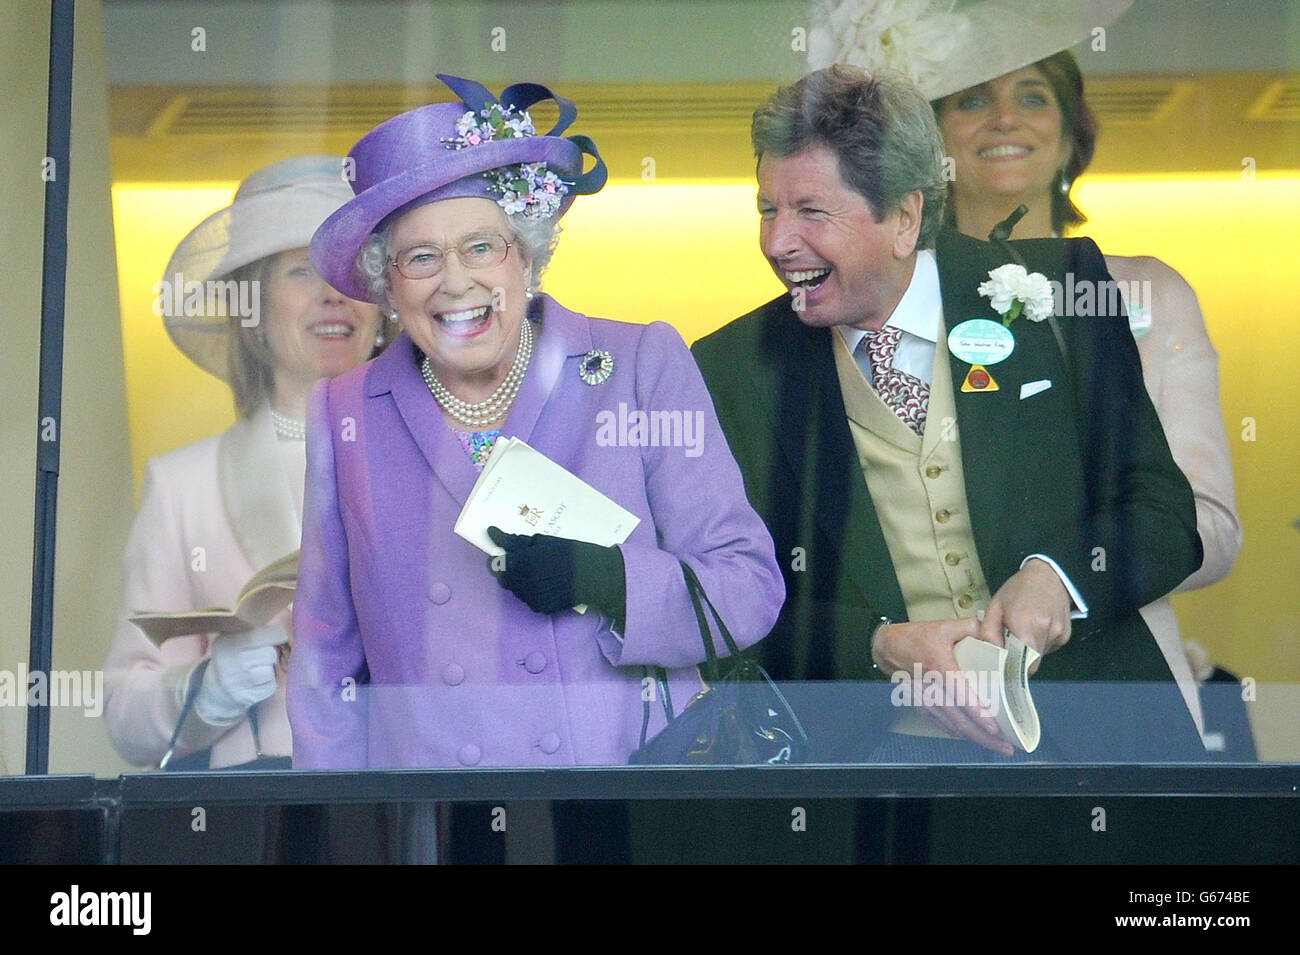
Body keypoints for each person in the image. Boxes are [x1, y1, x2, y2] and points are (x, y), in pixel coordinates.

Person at [691, 64, 1205, 762]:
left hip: (1101, 751)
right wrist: (879, 644)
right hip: (879, 777)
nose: (777, 242)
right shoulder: (733, 365)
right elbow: (724, 602)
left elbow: (1164, 514)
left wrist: (1059, 575)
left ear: (904, 216)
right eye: (766, 210)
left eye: (811, 212)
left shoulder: (1061, 289)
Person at [288, 73, 783, 769]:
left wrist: (610, 580)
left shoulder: (638, 366)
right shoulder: (344, 411)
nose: (455, 280)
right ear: (388, 284)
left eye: (482, 246)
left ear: (526, 254)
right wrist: (338, 825)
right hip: (435, 814)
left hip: (619, 806)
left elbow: (747, 589)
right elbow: (323, 659)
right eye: (421, 257)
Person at [810, 0, 1244, 749]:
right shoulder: (876, 303)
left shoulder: (1142, 291)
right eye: (973, 98)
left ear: (1071, 132)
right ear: (928, 142)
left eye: (1033, 96)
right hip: (916, 722)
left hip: (1113, 695)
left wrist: (1064, 576)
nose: (1004, 119)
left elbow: (1208, 521)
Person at [104, 156, 384, 769]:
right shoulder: (183, 485)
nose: (333, 294)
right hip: (259, 820)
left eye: (352, 270)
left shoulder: (442, 463)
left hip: (419, 811)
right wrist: (208, 689)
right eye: (302, 270)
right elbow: (126, 713)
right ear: (253, 310)